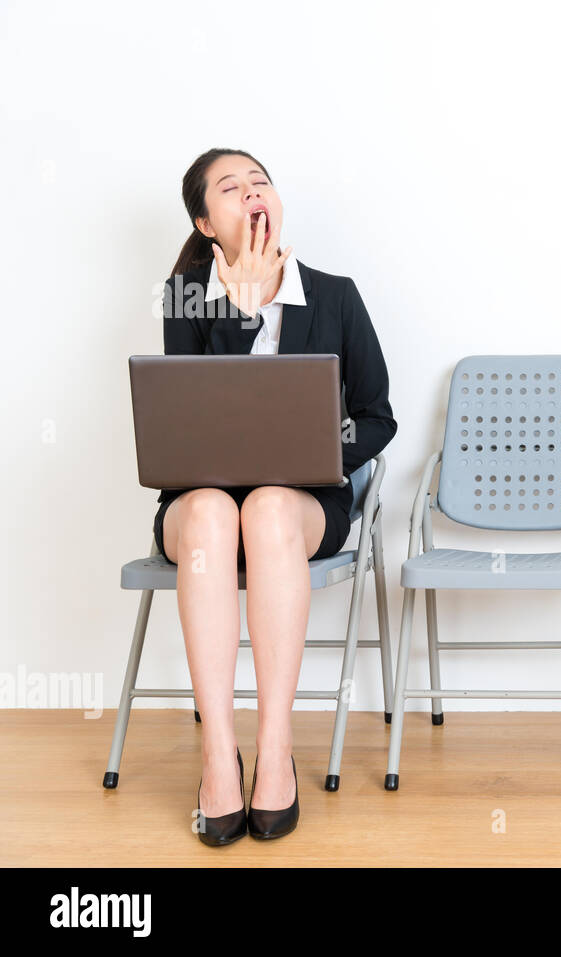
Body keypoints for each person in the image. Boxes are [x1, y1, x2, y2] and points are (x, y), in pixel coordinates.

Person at [157, 148, 397, 844]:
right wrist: (236, 310)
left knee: (264, 503)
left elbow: (377, 415)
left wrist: (316, 455)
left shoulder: (335, 295)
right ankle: (217, 757)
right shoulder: (186, 299)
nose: (251, 192)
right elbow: (189, 424)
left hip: (297, 508)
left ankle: (274, 749)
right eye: (230, 188)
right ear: (207, 223)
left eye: (260, 181)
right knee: (212, 507)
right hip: (201, 511)